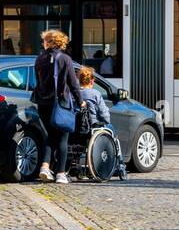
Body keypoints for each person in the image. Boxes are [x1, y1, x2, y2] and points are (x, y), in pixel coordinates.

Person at [32, 29, 82, 184]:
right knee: (62, 138)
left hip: (43, 103)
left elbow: (38, 81)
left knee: (49, 135)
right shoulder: (65, 59)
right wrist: (80, 101)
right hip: (60, 103)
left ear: (50, 42)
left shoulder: (39, 59)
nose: (43, 43)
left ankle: (45, 168)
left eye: (44, 41)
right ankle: (60, 173)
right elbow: (74, 84)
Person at [77, 66, 126, 178]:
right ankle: (120, 164)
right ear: (92, 81)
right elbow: (104, 114)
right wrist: (106, 120)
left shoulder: (75, 93)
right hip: (93, 126)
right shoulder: (95, 93)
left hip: (78, 127)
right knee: (111, 129)